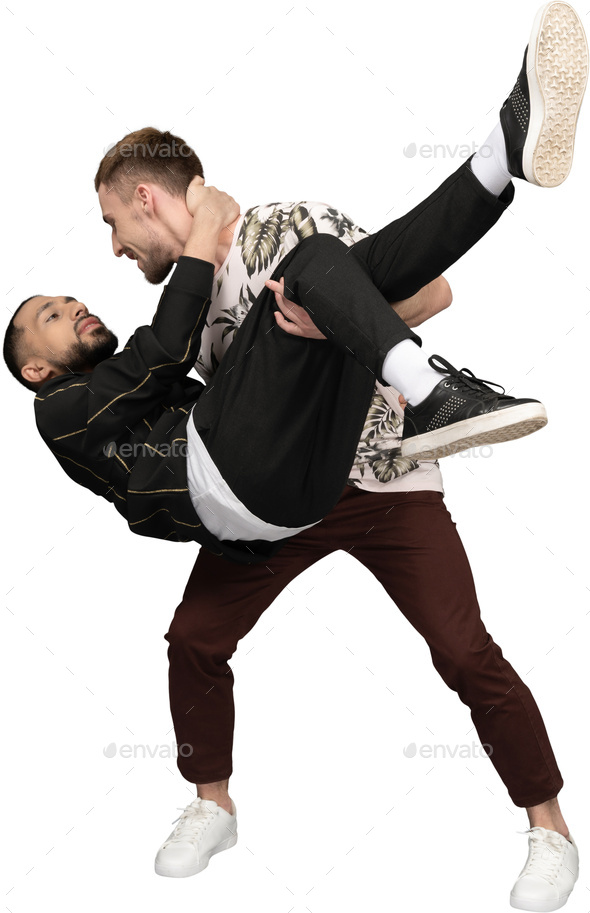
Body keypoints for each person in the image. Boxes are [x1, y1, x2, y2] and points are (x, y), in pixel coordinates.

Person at [6, 2, 586, 909]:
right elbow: (164, 384)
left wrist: (333, 328)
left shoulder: (277, 227)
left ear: (148, 200)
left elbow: (428, 290)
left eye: (116, 224)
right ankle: (212, 804)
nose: (114, 249)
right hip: (269, 484)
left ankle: (550, 829)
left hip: (379, 470)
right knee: (195, 637)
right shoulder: (178, 314)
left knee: (464, 647)